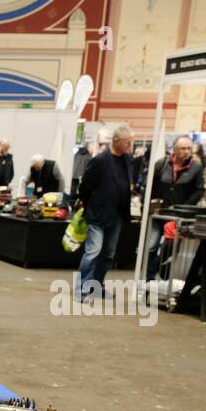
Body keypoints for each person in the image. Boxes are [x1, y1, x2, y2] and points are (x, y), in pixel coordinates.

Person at [76, 124, 134, 300]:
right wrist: (90, 206)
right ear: (116, 141)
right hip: (98, 214)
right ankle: (82, 289)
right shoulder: (100, 160)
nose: (130, 146)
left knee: (108, 254)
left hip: (117, 214)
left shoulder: (127, 159)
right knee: (93, 251)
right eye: (127, 142)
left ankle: (96, 285)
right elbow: (85, 187)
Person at [145, 135, 203, 281]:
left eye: (189, 148)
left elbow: (199, 189)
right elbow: (149, 186)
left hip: (177, 216)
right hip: (158, 213)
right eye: (183, 148)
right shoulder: (162, 164)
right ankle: (148, 278)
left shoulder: (196, 166)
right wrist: (147, 206)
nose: (187, 151)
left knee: (170, 247)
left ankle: (158, 271)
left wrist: (186, 206)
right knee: (151, 246)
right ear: (175, 149)